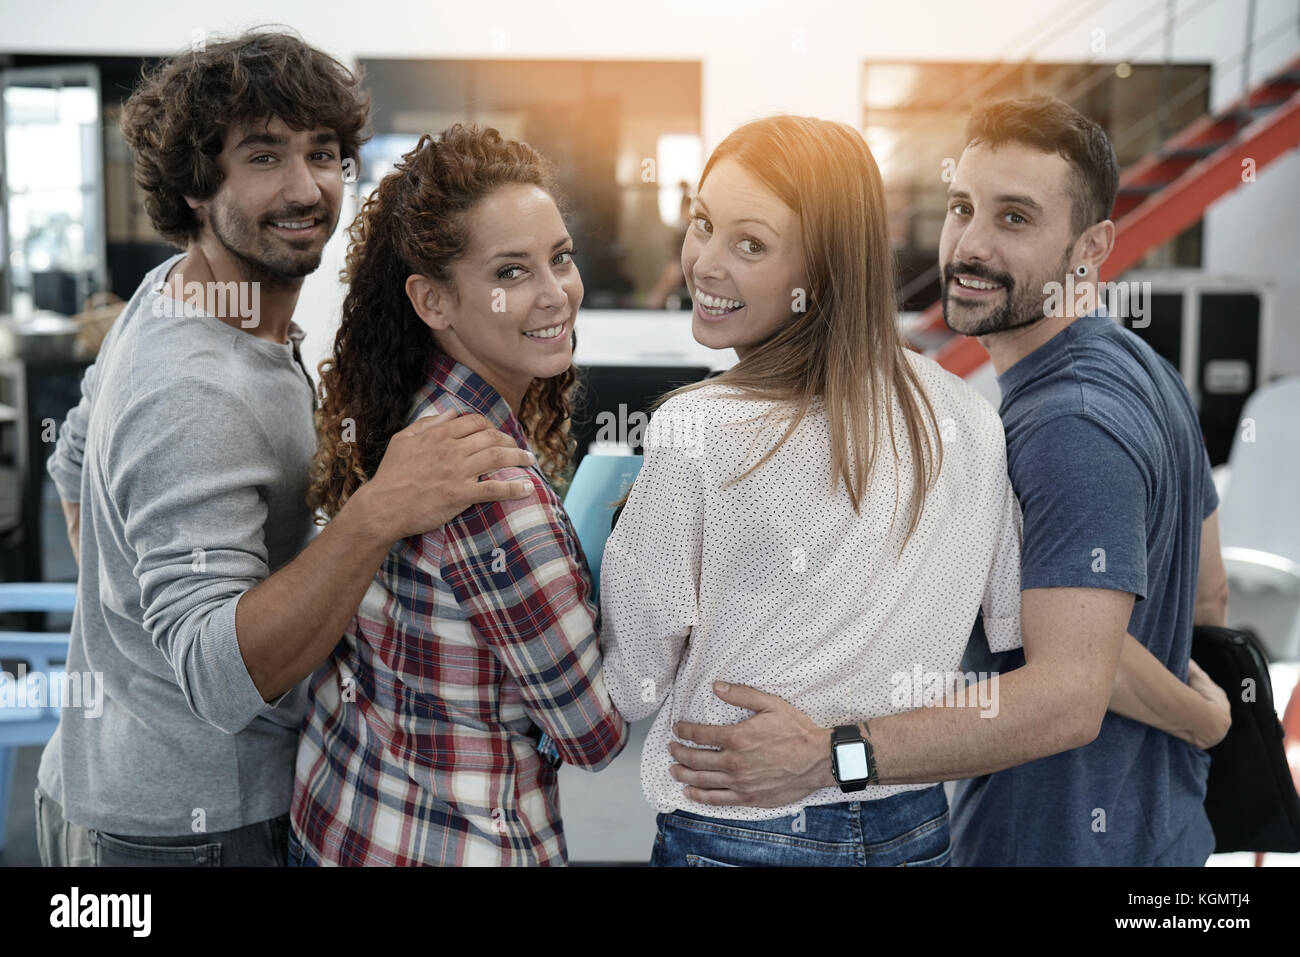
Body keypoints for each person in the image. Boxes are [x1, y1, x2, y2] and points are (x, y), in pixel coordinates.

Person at [654, 97, 1231, 867]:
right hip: (1164, 832)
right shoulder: (1146, 373)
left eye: (1016, 219)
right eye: (963, 207)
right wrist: (1195, 715)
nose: (970, 245)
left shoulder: (1069, 427)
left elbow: (1069, 690)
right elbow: (1204, 600)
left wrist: (832, 756)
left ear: (1091, 246)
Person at [38, 31, 533, 868]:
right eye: (264, 157)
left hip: (111, 795)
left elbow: (71, 461)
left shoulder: (175, 292)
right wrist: (380, 509)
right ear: (200, 186)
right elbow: (221, 679)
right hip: (192, 829)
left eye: (325, 153)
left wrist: (130, 629)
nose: (307, 188)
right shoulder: (194, 389)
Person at [599, 114, 1025, 866]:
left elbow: (632, 684)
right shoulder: (969, 416)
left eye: (751, 243)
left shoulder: (697, 427)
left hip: (734, 827)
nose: (704, 262)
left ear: (820, 273)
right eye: (703, 224)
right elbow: (1007, 623)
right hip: (911, 822)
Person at [290, 125, 629, 867]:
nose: (554, 293)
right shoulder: (491, 483)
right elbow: (593, 734)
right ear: (433, 300)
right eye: (511, 272)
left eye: (560, 258)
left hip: (347, 816)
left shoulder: (412, 416)